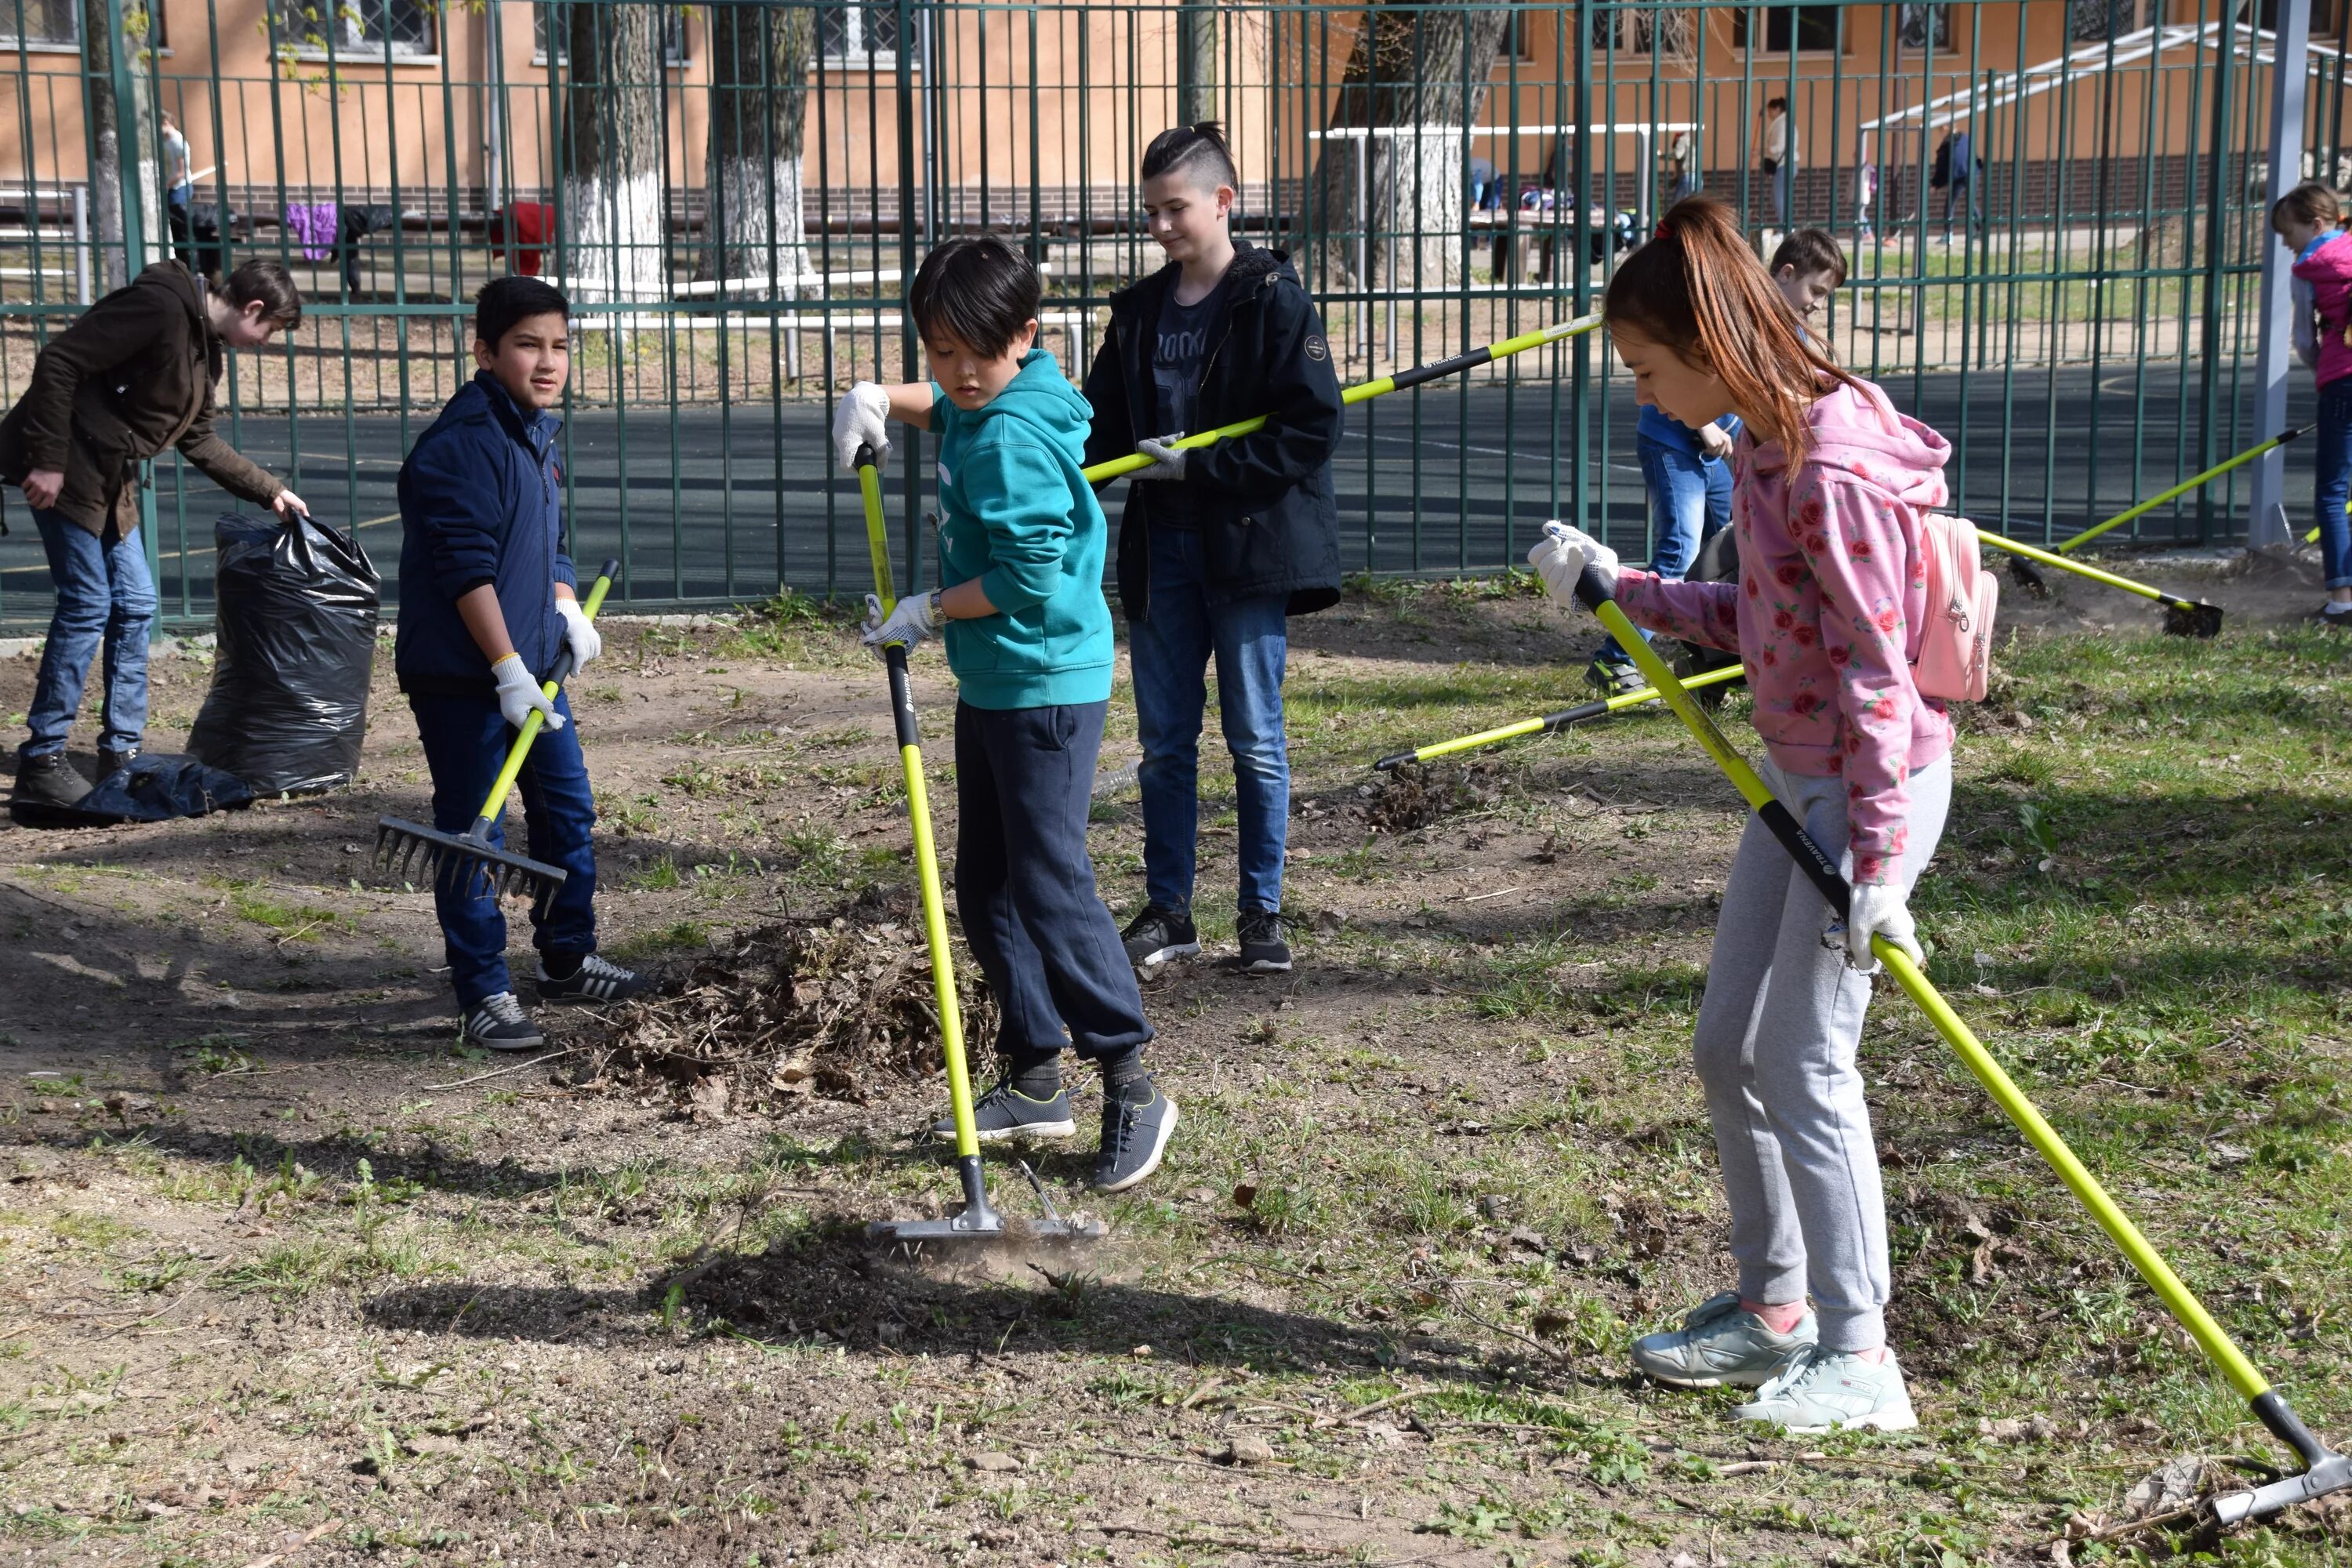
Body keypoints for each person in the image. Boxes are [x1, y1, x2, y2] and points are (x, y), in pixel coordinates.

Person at [1530, 195, 1955, 1433]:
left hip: (1867, 795)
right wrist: (1626, 587)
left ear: (1713, 344)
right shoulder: (1764, 452)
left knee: (1806, 1059)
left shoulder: (1827, 467)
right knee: (1730, 1044)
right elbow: (1763, 624)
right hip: (1807, 783)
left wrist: (1877, 863)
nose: (1647, 395)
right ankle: (1776, 1314)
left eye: (1651, 369)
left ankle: (1862, 1356)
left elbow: (1879, 667)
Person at [833, 237, 1177, 1193]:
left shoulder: (1015, 436)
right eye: (936, 352)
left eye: (969, 353)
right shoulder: (995, 396)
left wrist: (930, 611)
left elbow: (1026, 575)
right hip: (999, 682)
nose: (953, 374)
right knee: (988, 884)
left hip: (1043, 686)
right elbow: (948, 406)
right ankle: (1035, 1077)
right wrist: (879, 398)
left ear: (1025, 332)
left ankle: (1131, 1080)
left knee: (1049, 881)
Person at [1080, 122, 1344, 978]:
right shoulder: (1137, 315)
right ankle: (1169, 911)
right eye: (1150, 212)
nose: (1160, 228)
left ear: (1224, 200)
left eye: (1175, 209)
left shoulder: (1273, 299)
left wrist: (1206, 462)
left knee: (1256, 738)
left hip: (1246, 551)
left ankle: (1260, 912)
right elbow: (1097, 431)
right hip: (1164, 553)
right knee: (1165, 742)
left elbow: (1311, 427)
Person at [395, 276, 649, 1051]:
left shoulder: (534, 434)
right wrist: (505, 665)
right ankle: (483, 990)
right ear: (485, 351)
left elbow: (552, 545)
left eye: (559, 346)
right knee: (476, 832)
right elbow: (465, 570)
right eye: (528, 345)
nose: (547, 361)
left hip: (534, 671)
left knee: (566, 810)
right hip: (465, 677)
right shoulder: (463, 444)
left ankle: (567, 957)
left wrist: (566, 604)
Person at [0, 257, 307, 811]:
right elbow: (60, 361)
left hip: (108, 478)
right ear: (252, 308)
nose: (267, 343)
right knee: (88, 603)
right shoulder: (161, 307)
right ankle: (41, 761)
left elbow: (200, 439)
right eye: (271, 331)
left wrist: (270, 491)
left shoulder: (205, 350)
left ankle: (120, 753)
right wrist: (46, 460)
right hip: (65, 468)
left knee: (137, 604)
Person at [1589, 225, 1847, 695]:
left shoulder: (1786, 336)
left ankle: (1699, 669)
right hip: (1678, 446)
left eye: (1646, 372)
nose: (1817, 304)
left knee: (1715, 553)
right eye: (1816, 290)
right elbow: (1694, 367)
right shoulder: (1741, 327)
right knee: (1687, 550)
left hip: (1723, 450)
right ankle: (1626, 659)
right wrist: (1704, 425)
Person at [2275, 181, 2352, 625]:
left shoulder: (2308, 270)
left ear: (2317, 224)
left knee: (2332, 494)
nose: (2288, 245)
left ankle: (2342, 600)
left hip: (2343, 384)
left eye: (2290, 234)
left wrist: (2325, 370)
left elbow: (2305, 340)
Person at [161, 110, 194, 269]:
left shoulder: (177, 141)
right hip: (170, 189)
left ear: (166, 123)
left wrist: (164, 186)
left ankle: (188, 264)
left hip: (178, 190)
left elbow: (181, 172)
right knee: (173, 229)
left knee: (181, 230)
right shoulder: (166, 140)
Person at [1760, 97, 1795, 229]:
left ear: (1777, 109)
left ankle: (1784, 228)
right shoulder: (1783, 122)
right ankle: (1785, 226)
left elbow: (1779, 146)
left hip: (1784, 165)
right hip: (1782, 165)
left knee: (1780, 199)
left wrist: (1762, 151)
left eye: (1770, 110)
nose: (1769, 114)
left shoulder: (1783, 123)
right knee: (1776, 198)